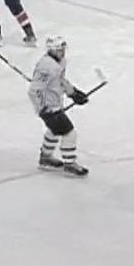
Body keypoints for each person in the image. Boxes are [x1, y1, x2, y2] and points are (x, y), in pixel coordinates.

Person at [29, 36, 89, 177]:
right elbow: (34, 90)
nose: (62, 52)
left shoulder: (60, 62)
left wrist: (73, 93)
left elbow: (60, 80)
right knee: (69, 133)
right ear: (52, 50)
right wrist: (43, 108)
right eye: (59, 50)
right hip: (48, 107)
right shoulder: (45, 66)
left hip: (55, 103)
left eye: (63, 49)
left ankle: (45, 158)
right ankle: (70, 163)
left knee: (55, 130)